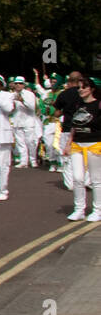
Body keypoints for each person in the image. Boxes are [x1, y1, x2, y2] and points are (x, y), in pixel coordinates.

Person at [64, 77, 101, 221]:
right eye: (79, 87)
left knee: (96, 179)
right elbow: (74, 125)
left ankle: (98, 210)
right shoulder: (78, 105)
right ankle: (79, 209)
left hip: (95, 145)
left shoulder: (98, 104)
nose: (80, 90)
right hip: (77, 144)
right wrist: (68, 143)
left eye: (84, 87)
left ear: (92, 89)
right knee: (77, 178)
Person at [9, 77, 39, 168]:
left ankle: (33, 160)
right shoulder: (12, 95)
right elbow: (9, 109)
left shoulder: (29, 94)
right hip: (17, 121)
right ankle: (23, 161)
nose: (18, 85)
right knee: (20, 143)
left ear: (23, 84)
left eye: (20, 83)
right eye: (16, 83)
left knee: (30, 142)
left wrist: (22, 100)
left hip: (28, 121)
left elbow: (32, 107)